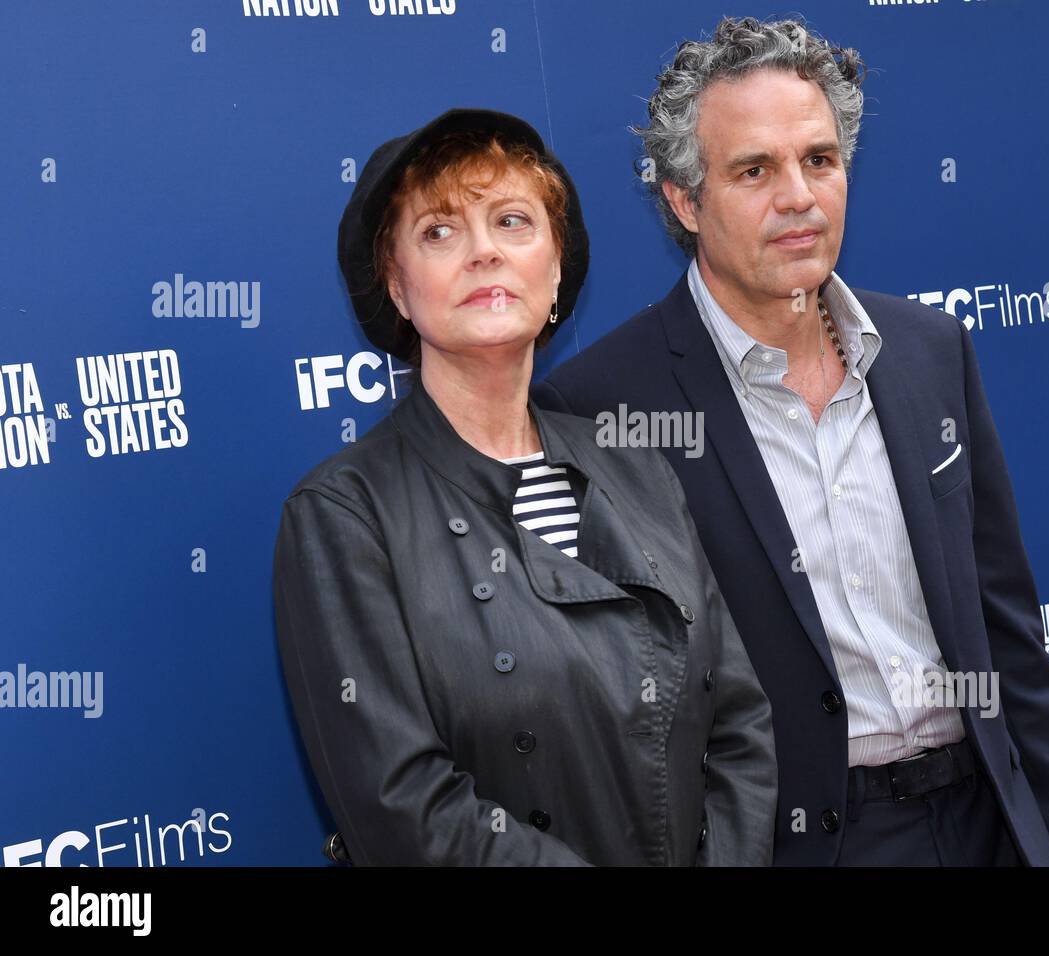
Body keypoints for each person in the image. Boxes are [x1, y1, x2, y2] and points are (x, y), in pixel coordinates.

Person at [532, 17, 1049, 866]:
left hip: (992, 819)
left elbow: (1013, 651)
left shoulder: (929, 350)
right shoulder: (601, 404)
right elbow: (623, 713)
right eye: (753, 170)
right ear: (684, 200)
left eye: (819, 159)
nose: (799, 197)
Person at [272, 108, 777, 866]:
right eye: (439, 232)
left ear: (555, 271)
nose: (484, 253)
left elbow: (739, 725)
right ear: (399, 291)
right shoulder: (344, 516)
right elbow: (404, 807)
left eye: (512, 221)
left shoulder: (637, 468)